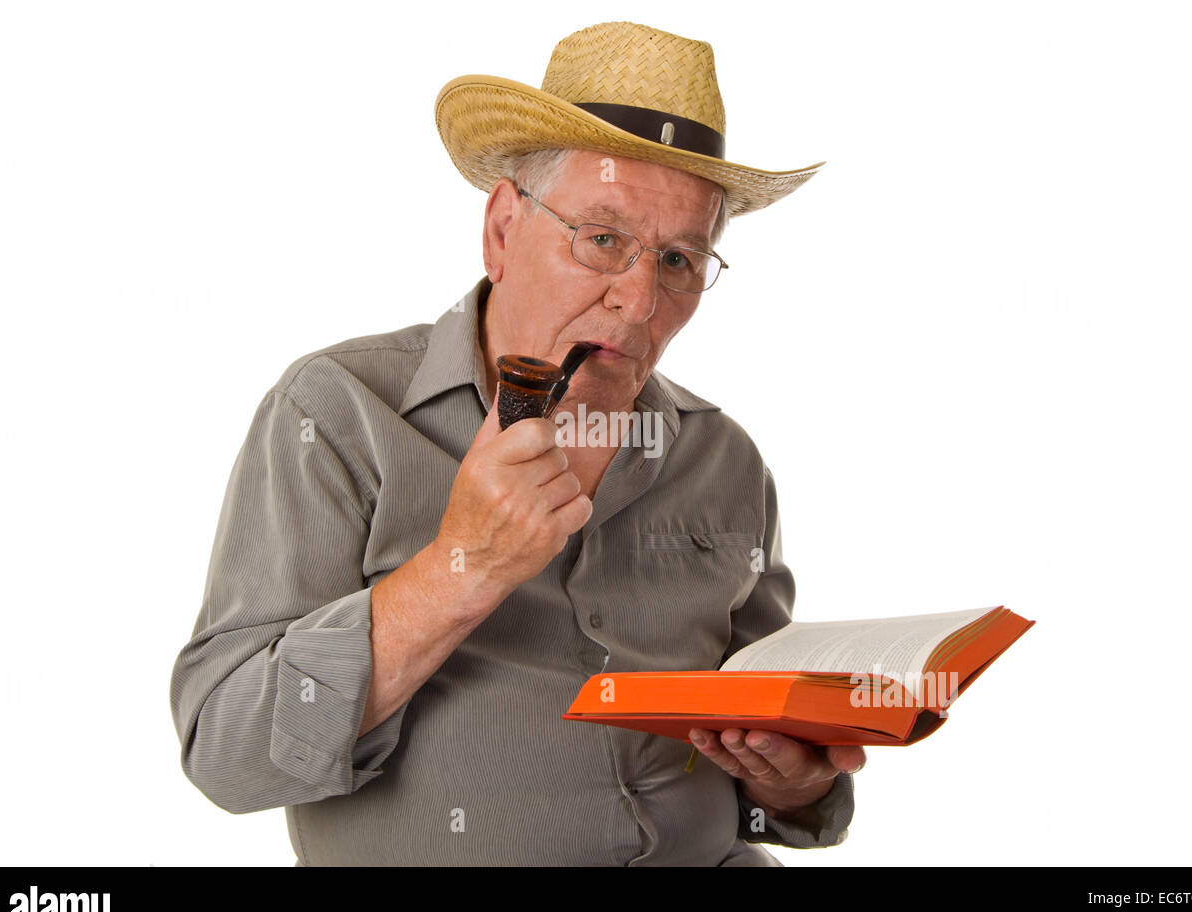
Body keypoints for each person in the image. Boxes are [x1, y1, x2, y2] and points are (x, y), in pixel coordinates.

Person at [170, 20, 862, 866]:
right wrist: (464, 565)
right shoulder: (338, 414)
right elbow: (227, 756)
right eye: (603, 239)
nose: (640, 302)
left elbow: (771, 757)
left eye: (680, 259)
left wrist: (791, 785)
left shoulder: (726, 461)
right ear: (503, 229)